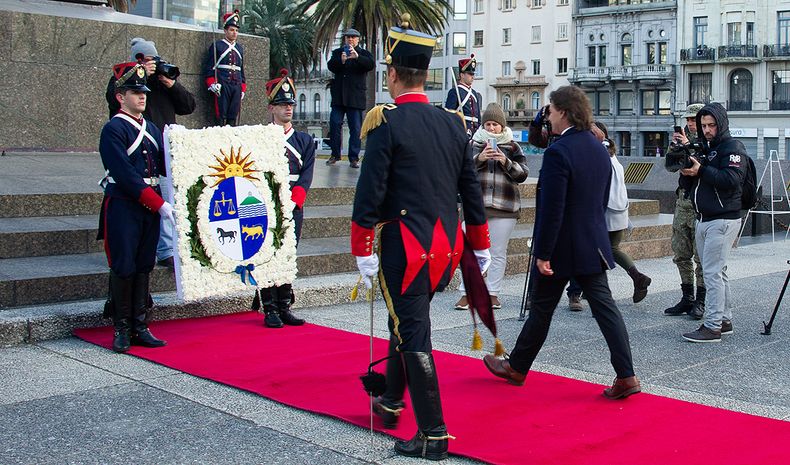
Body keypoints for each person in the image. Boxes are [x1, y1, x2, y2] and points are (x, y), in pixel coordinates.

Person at [352, 15, 491, 460]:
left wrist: (362, 247)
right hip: (445, 248)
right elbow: (470, 188)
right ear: (425, 75)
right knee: (407, 322)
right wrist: (480, 242)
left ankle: (433, 433)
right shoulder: (453, 123)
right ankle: (392, 400)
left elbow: (369, 192)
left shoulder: (385, 121)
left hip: (405, 249)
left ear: (393, 74)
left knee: (412, 331)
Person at [482, 85, 640, 400]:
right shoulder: (599, 148)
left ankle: (517, 367)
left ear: (564, 112)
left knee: (541, 308)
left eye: (551, 110)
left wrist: (542, 253)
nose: (549, 116)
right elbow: (599, 199)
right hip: (592, 242)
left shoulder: (559, 152)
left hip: (561, 247)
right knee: (605, 308)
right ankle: (627, 375)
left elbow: (552, 208)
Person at [99, 62, 173, 353]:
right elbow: (125, 174)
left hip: (150, 207)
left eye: (143, 91)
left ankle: (140, 326)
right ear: (120, 96)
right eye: (134, 92)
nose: (142, 96)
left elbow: (165, 164)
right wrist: (159, 204)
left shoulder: (152, 128)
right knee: (124, 264)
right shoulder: (113, 129)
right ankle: (121, 328)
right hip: (124, 205)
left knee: (144, 264)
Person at [106, 37, 196, 268]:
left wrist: (171, 84)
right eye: (146, 61)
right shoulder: (123, 81)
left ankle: (165, 248)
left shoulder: (162, 82)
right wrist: (140, 75)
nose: (152, 65)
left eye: (154, 60)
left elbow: (188, 106)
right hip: (136, 151)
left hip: (161, 148)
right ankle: (145, 250)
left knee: (165, 197)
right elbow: (111, 97)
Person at [252, 69, 315, 328]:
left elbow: (306, 173)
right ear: (271, 108)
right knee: (267, 254)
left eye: (290, 104)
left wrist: (295, 199)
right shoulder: (260, 139)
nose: (288, 108)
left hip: (293, 204)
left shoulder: (303, 140)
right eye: (282, 104)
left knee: (288, 254)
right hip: (268, 204)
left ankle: (285, 305)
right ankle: (269, 307)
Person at [679, 102, 745, 343]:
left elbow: (732, 179)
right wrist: (688, 172)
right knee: (719, 272)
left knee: (712, 273)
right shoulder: (706, 148)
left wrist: (702, 171)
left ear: (722, 124)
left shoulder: (732, 147)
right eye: (703, 125)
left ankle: (713, 326)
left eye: (711, 125)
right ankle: (724, 320)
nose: (707, 130)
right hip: (705, 217)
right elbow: (696, 182)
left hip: (723, 218)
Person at [454, 103, 528, 311]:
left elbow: (522, 174)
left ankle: (492, 293)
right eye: (488, 124)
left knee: (497, 252)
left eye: (495, 124)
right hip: (475, 206)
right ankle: (466, 293)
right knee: (469, 251)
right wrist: (479, 159)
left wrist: (505, 161)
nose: (491, 128)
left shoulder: (513, 146)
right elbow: (460, 171)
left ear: (502, 126)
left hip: (505, 206)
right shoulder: (472, 144)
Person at [527, 105, 583, 311]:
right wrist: (537, 121)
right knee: (542, 244)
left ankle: (575, 293)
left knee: (574, 245)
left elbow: (597, 135)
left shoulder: (579, 131)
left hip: (573, 193)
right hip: (551, 189)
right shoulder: (553, 135)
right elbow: (536, 140)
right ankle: (534, 293)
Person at [595, 121, 652, 303]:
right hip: (619, 210)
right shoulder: (612, 155)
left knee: (597, 250)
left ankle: (598, 292)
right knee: (609, 249)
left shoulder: (599, 154)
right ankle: (637, 278)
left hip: (606, 211)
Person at [664, 103, 706, 319]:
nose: (690, 123)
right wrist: (675, 147)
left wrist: (690, 146)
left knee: (701, 257)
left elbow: (705, 162)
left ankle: (701, 300)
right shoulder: (683, 139)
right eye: (688, 120)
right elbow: (670, 166)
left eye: (694, 119)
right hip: (683, 202)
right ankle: (687, 296)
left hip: (701, 205)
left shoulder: (709, 141)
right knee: (681, 253)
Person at [326, 28, 375, 168]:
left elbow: (370, 65)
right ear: (345, 39)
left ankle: (353, 158)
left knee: (355, 128)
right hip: (339, 98)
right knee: (335, 124)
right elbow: (331, 66)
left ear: (358, 39)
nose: (350, 39)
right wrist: (341, 61)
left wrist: (357, 57)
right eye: (348, 37)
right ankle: (335, 154)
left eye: (353, 37)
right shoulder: (338, 53)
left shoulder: (364, 54)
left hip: (355, 98)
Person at [204, 10, 246, 126]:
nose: (234, 33)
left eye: (236, 30)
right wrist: (212, 83)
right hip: (222, 84)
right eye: (232, 30)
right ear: (225, 30)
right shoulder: (218, 46)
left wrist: (242, 88)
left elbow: (241, 70)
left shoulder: (239, 48)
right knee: (221, 115)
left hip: (236, 85)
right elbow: (210, 68)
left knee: (233, 115)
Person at [444, 55, 482, 138]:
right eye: (470, 74)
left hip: (475, 133)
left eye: (473, 74)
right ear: (462, 75)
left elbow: (478, 117)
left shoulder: (474, 93)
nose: (473, 77)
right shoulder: (455, 92)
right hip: (461, 131)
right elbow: (449, 116)